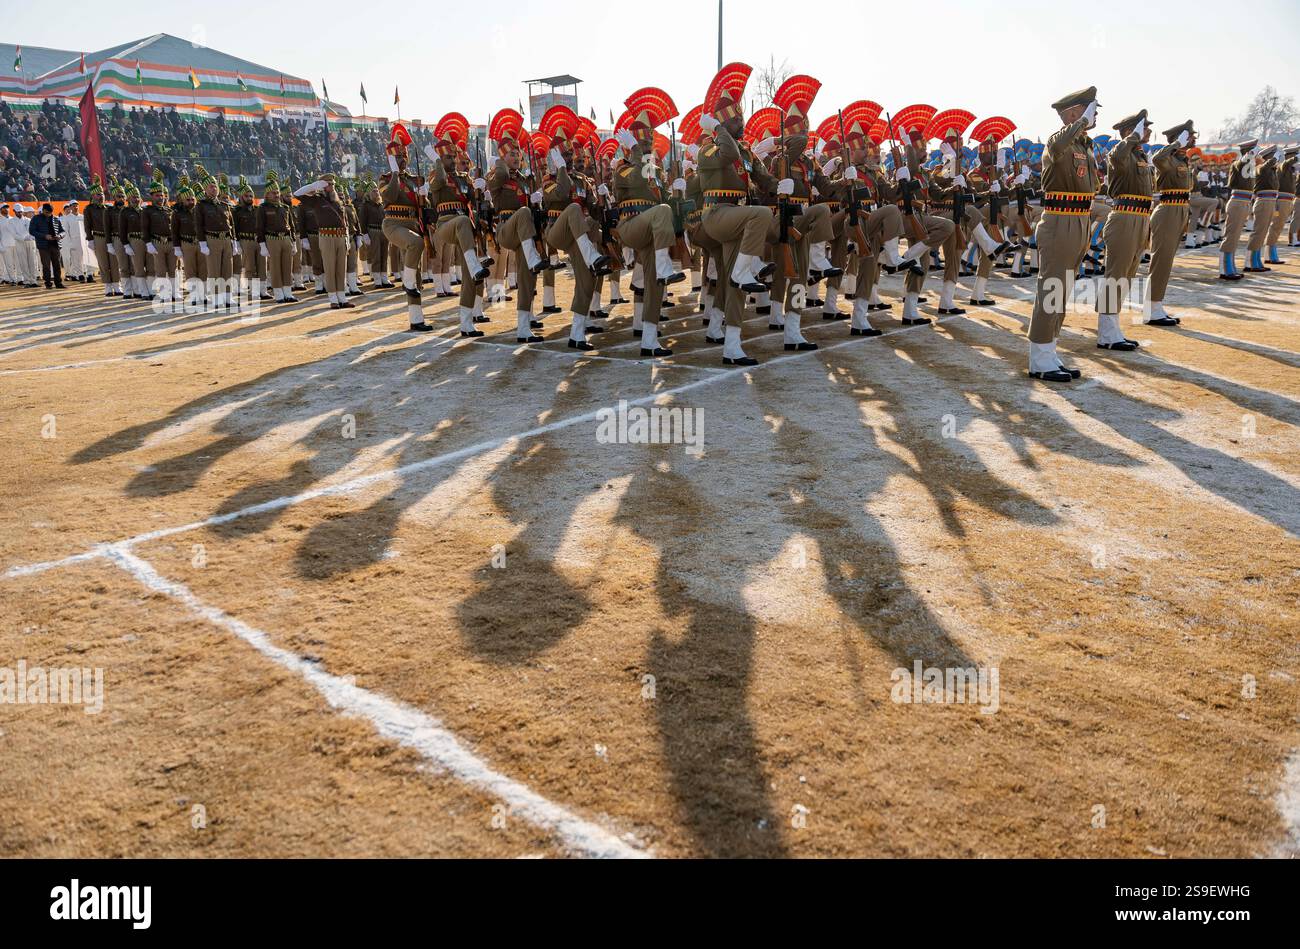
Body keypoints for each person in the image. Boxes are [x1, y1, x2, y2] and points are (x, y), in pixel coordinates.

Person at [1026, 86, 1101, 382]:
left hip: (1079, 220)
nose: (1094, 116)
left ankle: (1049, 353)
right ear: (1073, 113)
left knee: (1062, 290)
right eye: (1089, 109)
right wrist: (1080, 122)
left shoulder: (1083, 146)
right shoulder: (1058, 141)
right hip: (1059, 222)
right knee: (1051, 289)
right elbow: (1059, 141)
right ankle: (1039, 359)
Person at [28, 202, 66, 289]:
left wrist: (59, 236)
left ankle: (58, 283)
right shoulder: (36, 218)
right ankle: (48, 283)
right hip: (43, 245)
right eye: (47, 212)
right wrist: (44, 236)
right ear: (43, 210)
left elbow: (63, 231)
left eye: (50, 212)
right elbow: (32, 231)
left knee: (57, 265)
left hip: (55, 244)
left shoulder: (56, 219)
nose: (49, 214)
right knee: (46, 265)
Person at [60, 200, 88, 282]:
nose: (75, 207)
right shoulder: (67, 218)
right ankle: (80, 275)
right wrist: (70, 244)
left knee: (83, 258)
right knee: (76, 259)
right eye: (73, 206)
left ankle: (81, 273)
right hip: (73, 240)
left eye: (76, 205)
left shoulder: (82, 217)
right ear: (71, 207)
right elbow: (66, 232)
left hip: (83, 239)